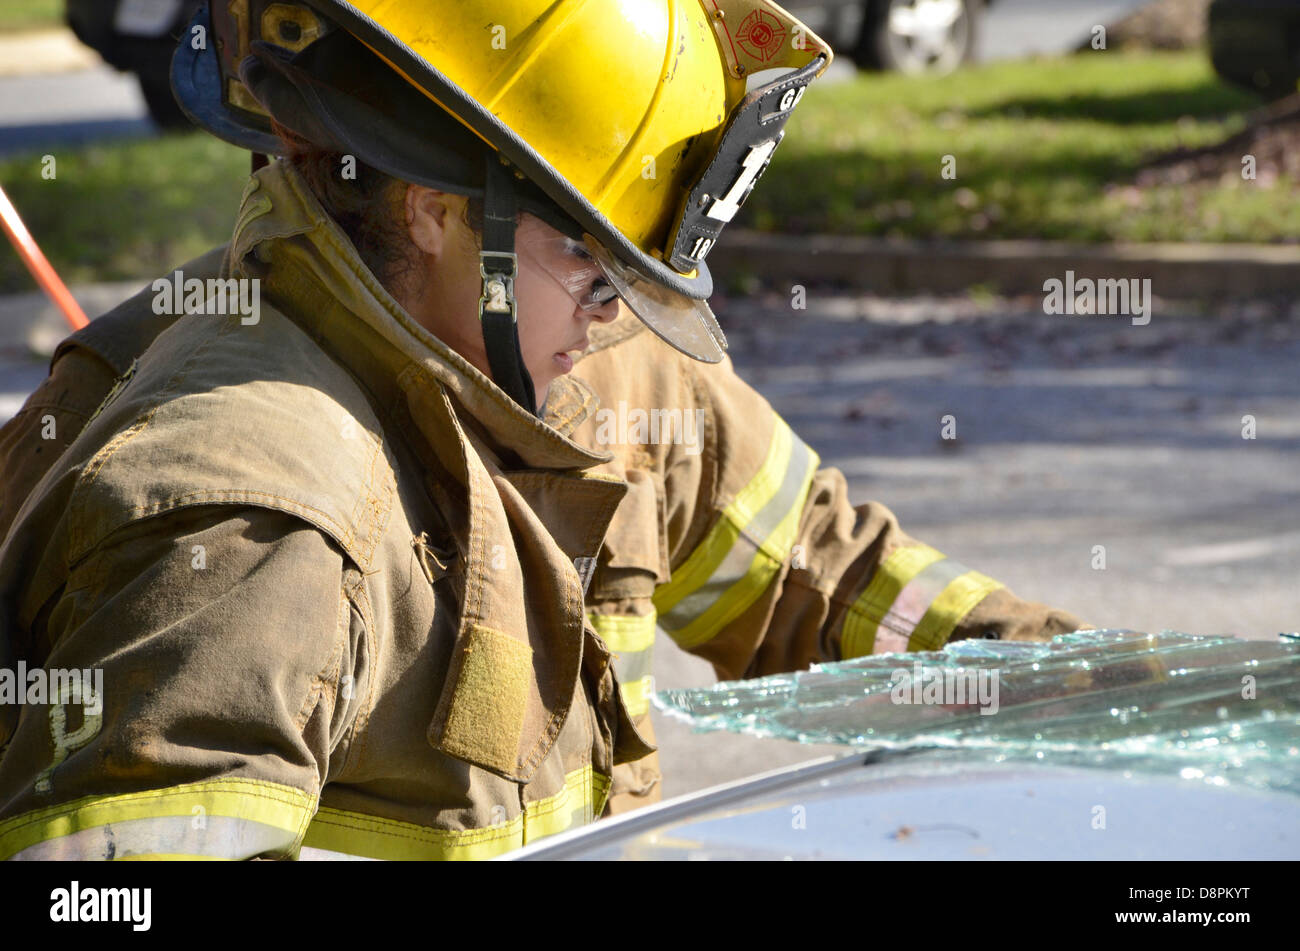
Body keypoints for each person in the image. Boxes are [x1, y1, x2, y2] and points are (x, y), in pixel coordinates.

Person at [0, 0, 1084, 860]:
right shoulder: (257, 524)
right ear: (432, 208)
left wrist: (1088, 682)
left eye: (631, 270)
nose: (615, 309)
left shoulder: (596, 370)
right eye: (589, 257)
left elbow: (820, 580)